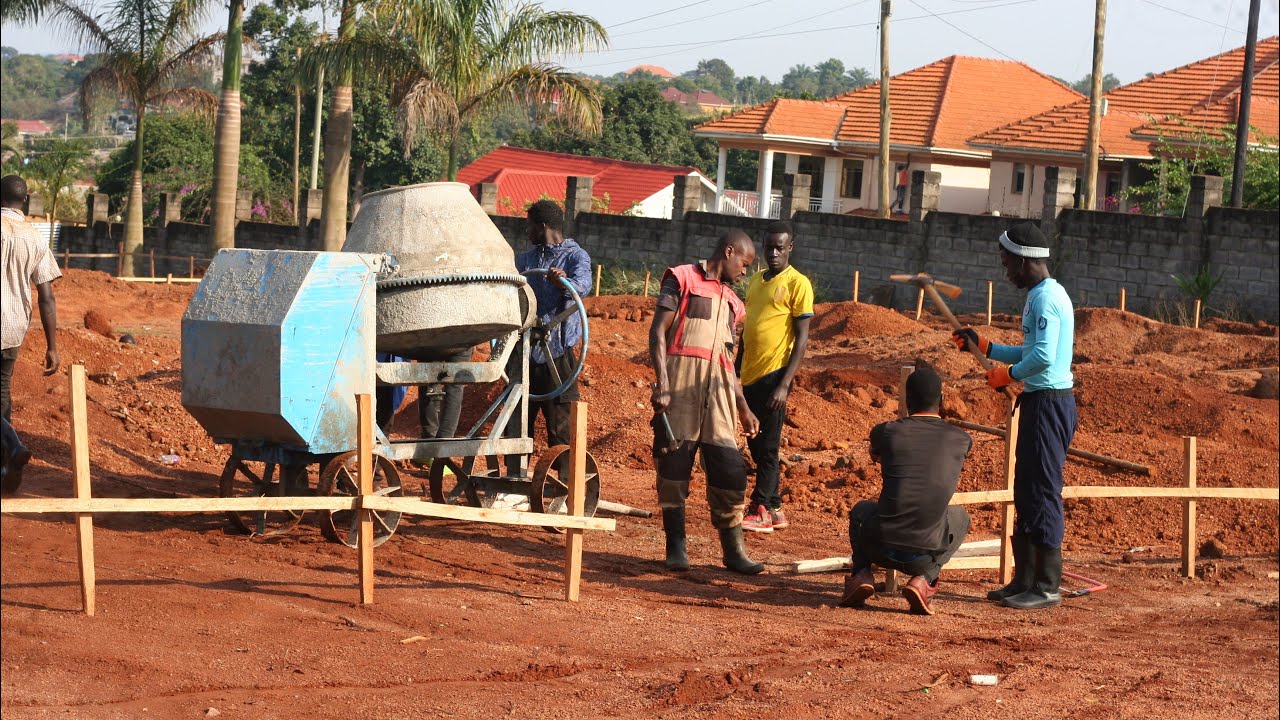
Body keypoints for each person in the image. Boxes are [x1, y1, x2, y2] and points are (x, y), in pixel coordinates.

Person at [951, 221, 1076, 610]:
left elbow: (1042, 358)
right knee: (1026, 490)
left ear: (1024, 260)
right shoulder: (1041, 294)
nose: (1005, 271)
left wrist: (1008, 375)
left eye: (1007, 262)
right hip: (1041, 402)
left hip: (1049, 404)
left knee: (1041, 492)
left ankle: (1046, 586)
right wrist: (987, 346)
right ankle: (1024, 579)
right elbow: (1029, 350)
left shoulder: (1044, 299)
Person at [649, 229, 763, 575]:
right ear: (728, 252)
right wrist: (663, 384)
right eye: (744, 263)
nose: (745, 272)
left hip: (721, 397)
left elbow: (727, 360)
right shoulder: (681, 278)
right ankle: (676, 548)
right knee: (674, 471)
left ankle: (733, 551)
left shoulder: (734, 304)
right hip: (680, 391)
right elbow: (657, 331)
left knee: (731, 470)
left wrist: (743, 408)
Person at [839, 362, 972, 615]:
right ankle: (925, 579)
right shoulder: (962, 439)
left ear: (907, 400)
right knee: (961, 517)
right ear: (942, 400)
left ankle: (861, 574)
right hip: (923, 555)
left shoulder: (885, 432)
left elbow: (875, 454)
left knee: (861, 510)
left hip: (878, 546)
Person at [508, 200, 592, 477]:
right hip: (524, 351)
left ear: (542, 226)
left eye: (530, 226)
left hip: (558, 355)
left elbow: (582, 287)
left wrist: (563, 282)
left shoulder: (575, 257)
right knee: (517, 420)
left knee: (560, 425)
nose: (527, 232)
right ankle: (515, 477)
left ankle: (566, 485)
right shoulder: (526, 260)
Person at [739, 220, 813, 534]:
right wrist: (737, 367)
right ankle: (776, 505)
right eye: (768, 247)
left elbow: (802, 339)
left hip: (774, 375)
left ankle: (761, 508)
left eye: (779, 248)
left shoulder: (798, 284)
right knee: (756, 443)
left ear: (790, 248)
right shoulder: (756, 280)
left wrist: (785, 384)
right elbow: (748, 328)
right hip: (749, 375)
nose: (772, 253)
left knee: (767, 447)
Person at [1, 174, 60, 495]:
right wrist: (52, 346)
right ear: (24, 201)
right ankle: (8, 470)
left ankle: (12, 443)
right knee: (1, 396)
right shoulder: (35, 238)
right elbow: (47, 296)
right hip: (12, 328)